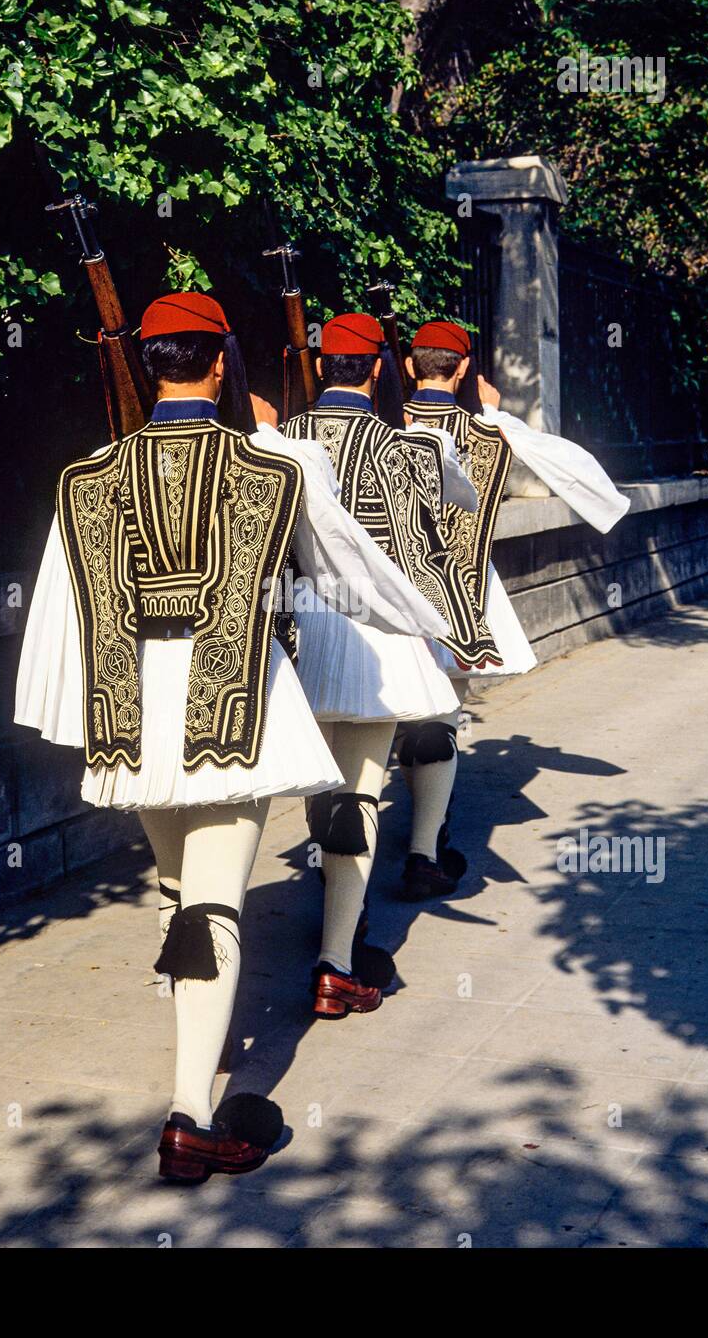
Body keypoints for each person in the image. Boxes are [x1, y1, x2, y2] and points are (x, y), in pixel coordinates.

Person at [14, 293, 446, 1183]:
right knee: (215, 902)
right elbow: (352, 573)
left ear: (148, 364)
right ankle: (189, 1117)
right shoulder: (271, 468)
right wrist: (433, 624)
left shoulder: (84, 475)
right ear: (219, 362)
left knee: (180, 893)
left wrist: (83, 724)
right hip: (234, 709)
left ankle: (196, 1053)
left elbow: (64, 613)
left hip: (130, 717)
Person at [282, 312, 481, 1016]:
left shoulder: (276, 442)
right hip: (372, 633)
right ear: (375, 369)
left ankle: (343, 908)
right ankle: (336, 957)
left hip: (300, 623)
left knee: (322, 781)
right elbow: (430, 551)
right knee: (360, 794)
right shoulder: (409, 449)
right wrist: (454, 630)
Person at [396, 319, 631, 899]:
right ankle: (424, 848)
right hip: (461, 594)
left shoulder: (384, 427)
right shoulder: (489, 433)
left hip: (385, 594)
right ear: (465, 370)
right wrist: (488, 410)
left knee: (386, 725)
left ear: (406, 366)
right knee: (441, 718)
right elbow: (563, 464)